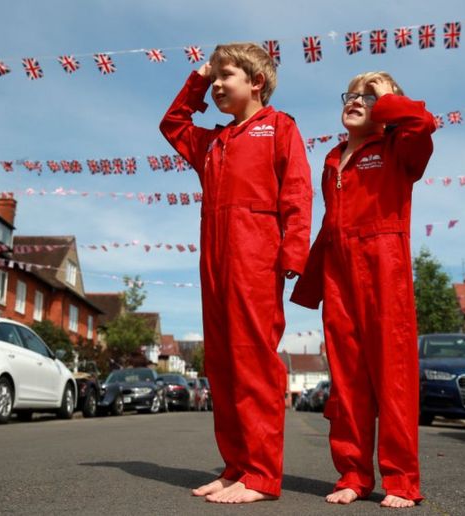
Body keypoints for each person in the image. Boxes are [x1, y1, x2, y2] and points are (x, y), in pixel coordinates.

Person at [159, 42, 312, 504]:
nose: (219, 84)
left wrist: (292, 256)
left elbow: (298, 193)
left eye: (227, 76)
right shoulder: (214, 141)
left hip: (256, 257)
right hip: (214, 259)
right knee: (222, 366)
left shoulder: (280, 127)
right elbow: (173, 125)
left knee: (253, 363)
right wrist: (198, 80)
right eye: (216, 77)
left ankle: (263, 475)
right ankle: (237, 467)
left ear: (256, 81)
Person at [291, 71, 435, 508]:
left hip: (383, 266)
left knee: (393, 377)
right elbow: (330, 226)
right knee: (347, 380)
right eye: (351, 94)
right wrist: (308, 274)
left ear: (388, 107)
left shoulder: (398, 147)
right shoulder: (333, 159)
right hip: (338, 273)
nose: (356, 100)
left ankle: (401, 480)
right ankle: (353, 473)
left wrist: (387, 99)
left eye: (367, 97)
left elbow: (422, 124)